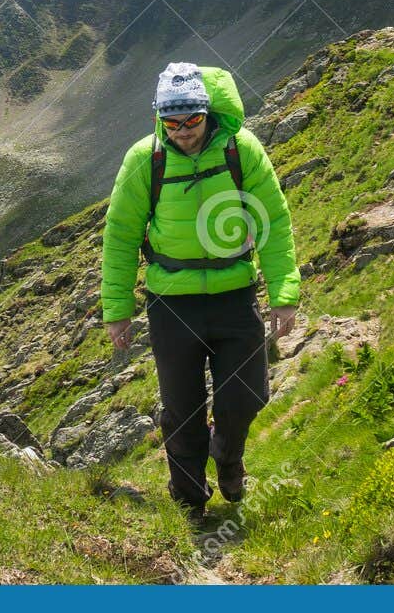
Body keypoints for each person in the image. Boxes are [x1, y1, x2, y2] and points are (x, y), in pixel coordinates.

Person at [100, 61, 299, 519]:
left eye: (192, 119)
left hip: (235, 294)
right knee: (181, 409)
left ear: (208, 112)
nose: (183, 131)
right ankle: (190, 503)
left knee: (247, 394)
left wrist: (284, 295)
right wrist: (117, 310)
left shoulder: (241, 150)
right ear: (159, 118)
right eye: (171, 121)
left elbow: (273, 223)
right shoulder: (143, 160)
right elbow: (121, 236)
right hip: (171, 304)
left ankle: (229, 457)